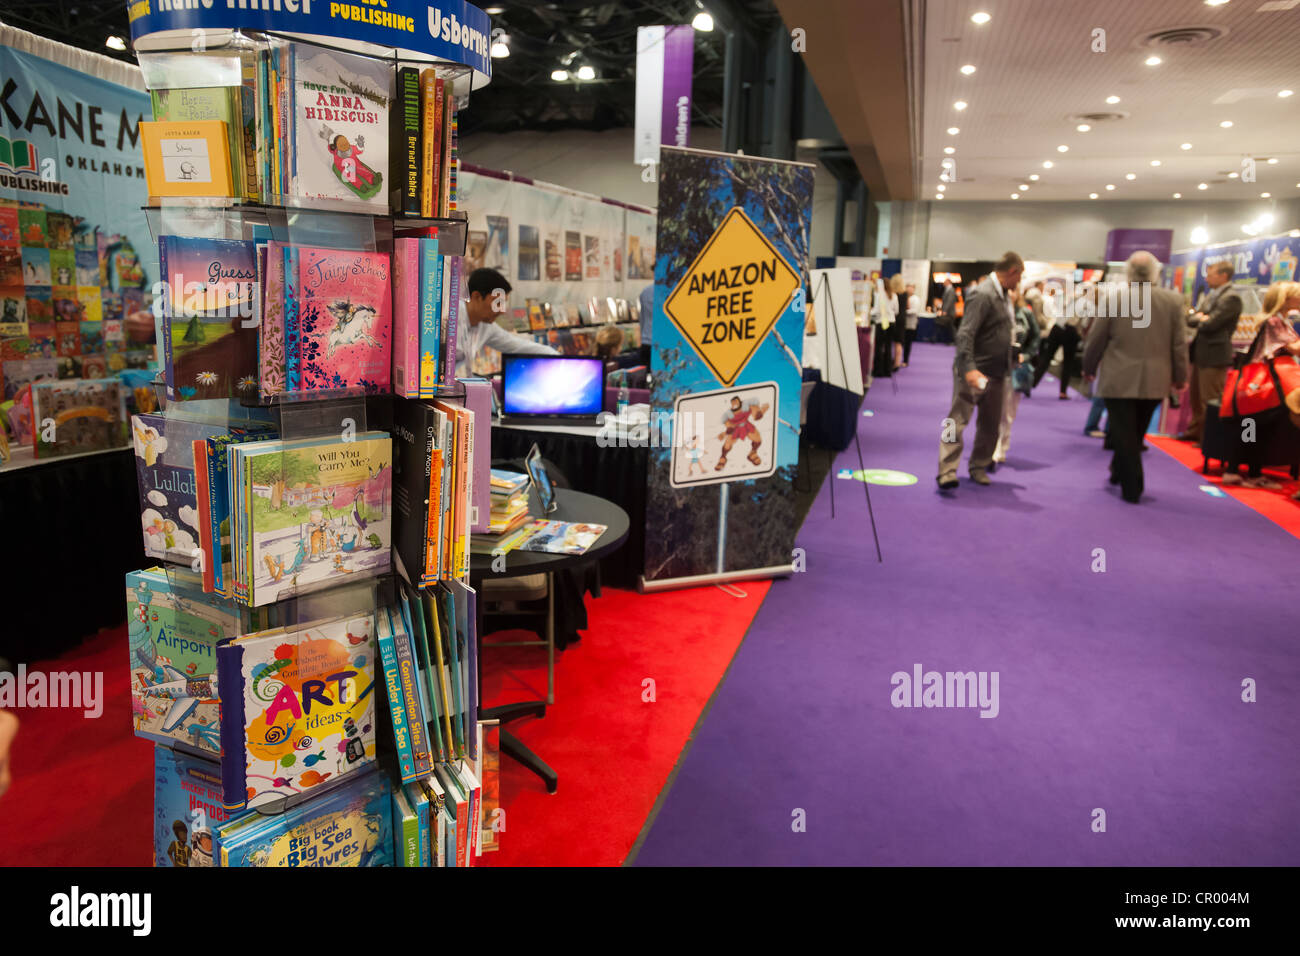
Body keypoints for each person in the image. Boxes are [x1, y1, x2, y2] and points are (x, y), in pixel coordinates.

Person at [1082, 251, 1188, 504]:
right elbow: (1179, 344)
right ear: (1155, 273)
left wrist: (1088, 366)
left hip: (1118, 377)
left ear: (1128, 273)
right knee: (1135, 432)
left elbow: (1096, 338)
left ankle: (1133, 487)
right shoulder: (1173, 301)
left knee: (1124, 431)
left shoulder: (1114, 299)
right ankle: (1118, 471)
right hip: (1156, 379)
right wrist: (1180, 375)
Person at [937, 251, 1024, 489]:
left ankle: (979, 465)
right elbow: (965, 333)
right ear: (1013, 271)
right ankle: (946, 470)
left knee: (990, 425)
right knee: (954, 422)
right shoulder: (983, 293)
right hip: (974, 372)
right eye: (1020, 276)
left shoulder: (1005, 296)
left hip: (997, 373)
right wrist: (969, 369)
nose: (1020, 281)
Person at [1221, 281, 1300, 490]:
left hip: (1265, 387)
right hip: (1261, 386)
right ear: (1286, 299)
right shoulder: (1274, 321)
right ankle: (1235, 471)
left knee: (1258, 429)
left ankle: (1249, 473)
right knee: (1252, 428)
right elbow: (1295, 348)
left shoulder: (1279, 321)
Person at [1177, 260, 1241, 442]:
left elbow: (1212, 323)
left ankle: (1208, 439)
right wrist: (1200, 317)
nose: (1207, 278)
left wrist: (1201, 318)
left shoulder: (1231, 298)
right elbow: (1191, 319)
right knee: (1195, 397)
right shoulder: (1212, 295)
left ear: (1223, 276)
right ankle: (1194, 432)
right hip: (1200, 354)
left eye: (1211, 274)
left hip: (1215, 356)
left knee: (1210, 399)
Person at [454, 268, 557, 376]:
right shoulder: (447, 318)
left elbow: (519, 346)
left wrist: (561, 357)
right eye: (498, 303)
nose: (502, 310)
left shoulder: (485, 326)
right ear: (477, 297)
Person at [994, 287, 1040, 465]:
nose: (1011, 294)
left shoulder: (1025, 314)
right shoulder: (997, 311)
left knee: (1009, 412)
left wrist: (1026, 355)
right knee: (996, 409)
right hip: (997, 366)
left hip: (1017, 367)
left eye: (1014, 291)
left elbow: (1036, 338)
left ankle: (1003, 446)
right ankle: (995, 446)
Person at [902, 283, 921, 366]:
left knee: (907, 343)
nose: (908, 289)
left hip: (911, 324)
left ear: (913, 289)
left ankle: (905, 360)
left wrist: (903, 312)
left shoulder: (915, 299)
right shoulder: (904, 297)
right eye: (907, 287)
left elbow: (915, 311)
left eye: (910, 288)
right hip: (903, 324)